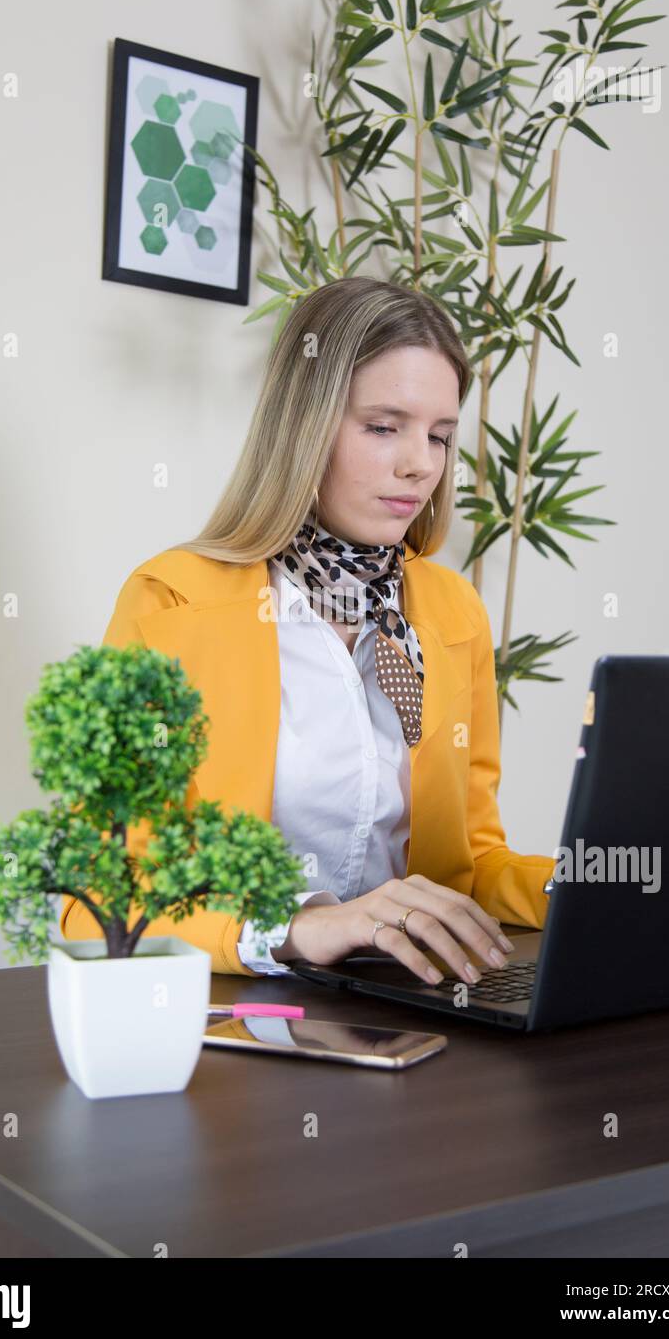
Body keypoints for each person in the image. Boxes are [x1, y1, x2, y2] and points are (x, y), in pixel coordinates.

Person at [60, 277, 555, 984]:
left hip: (407, 1006)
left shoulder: (452, 613)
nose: (420, 463)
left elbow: (470, 869)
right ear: (304, 425)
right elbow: (100, 899)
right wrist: (299, 927)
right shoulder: (170, 602)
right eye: (384, 427)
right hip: (232, 1019)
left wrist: (593, 885)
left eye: (440, 436)